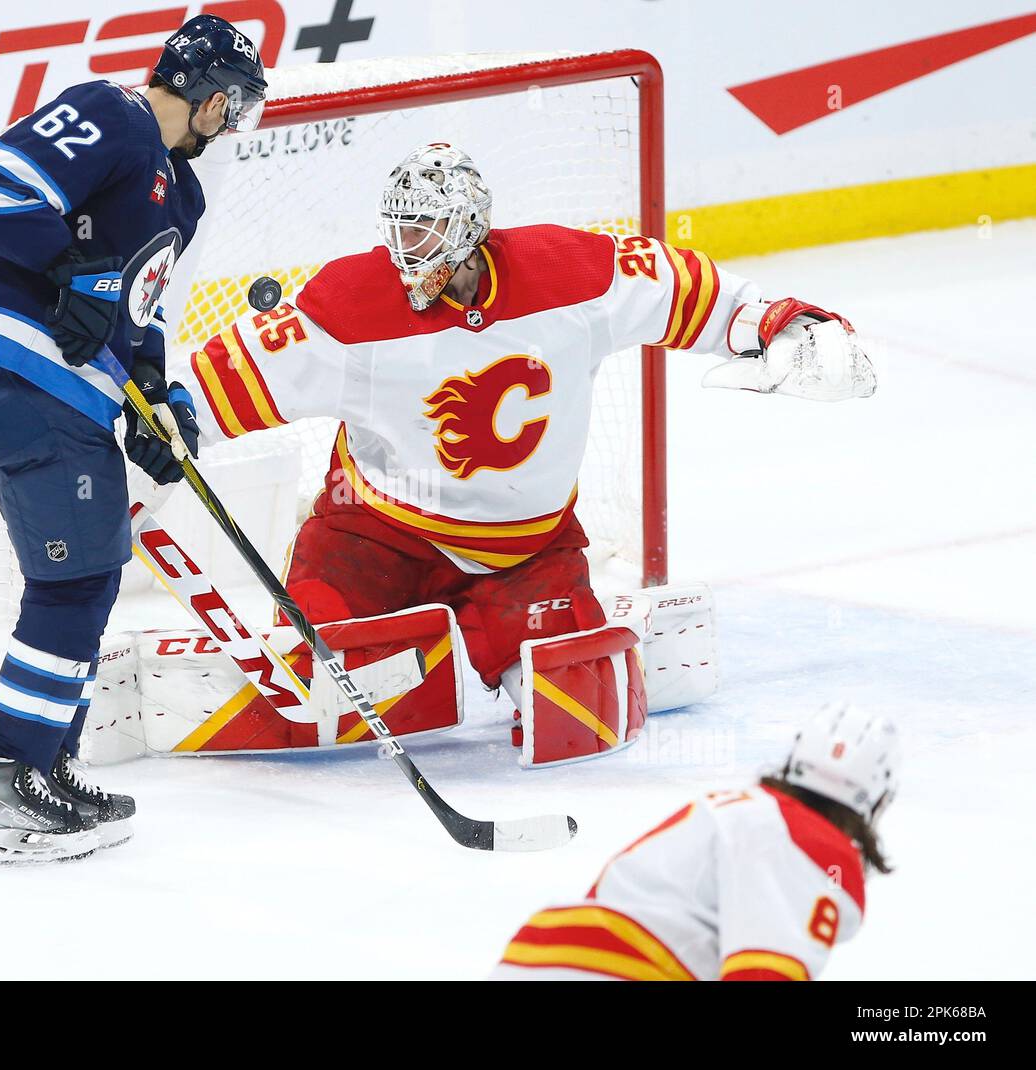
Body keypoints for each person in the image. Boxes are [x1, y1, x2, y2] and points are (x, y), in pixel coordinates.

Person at [162, 143, 876, 758]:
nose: (407, 252)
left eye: (427, 232)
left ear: (469, 230)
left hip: (525, 553)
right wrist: (153, 421)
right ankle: (411, 650)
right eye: (399, 232)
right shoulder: (351, 305)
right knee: (324, 691)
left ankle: (562, 638)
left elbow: (685, 288)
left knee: (578, 712)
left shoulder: (569, 273)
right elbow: (226, 379)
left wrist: (781, 325)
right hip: (376, 537)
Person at [0, 14, 266, 864]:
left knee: (86, 571)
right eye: (236, 102)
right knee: (76, 576)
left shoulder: (176, 196)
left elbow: (129, 322)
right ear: (207, 91)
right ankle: (11, 781)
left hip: (52, 384)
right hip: (13, 362)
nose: (235, 121)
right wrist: (66, 269)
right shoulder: (115, 114)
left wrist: (161, 405)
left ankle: (45, 764)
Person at [491, 703, 900, 980]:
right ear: (877, 798)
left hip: (535, 954)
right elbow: (763, 973)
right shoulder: (811, 847)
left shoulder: (735, 810)